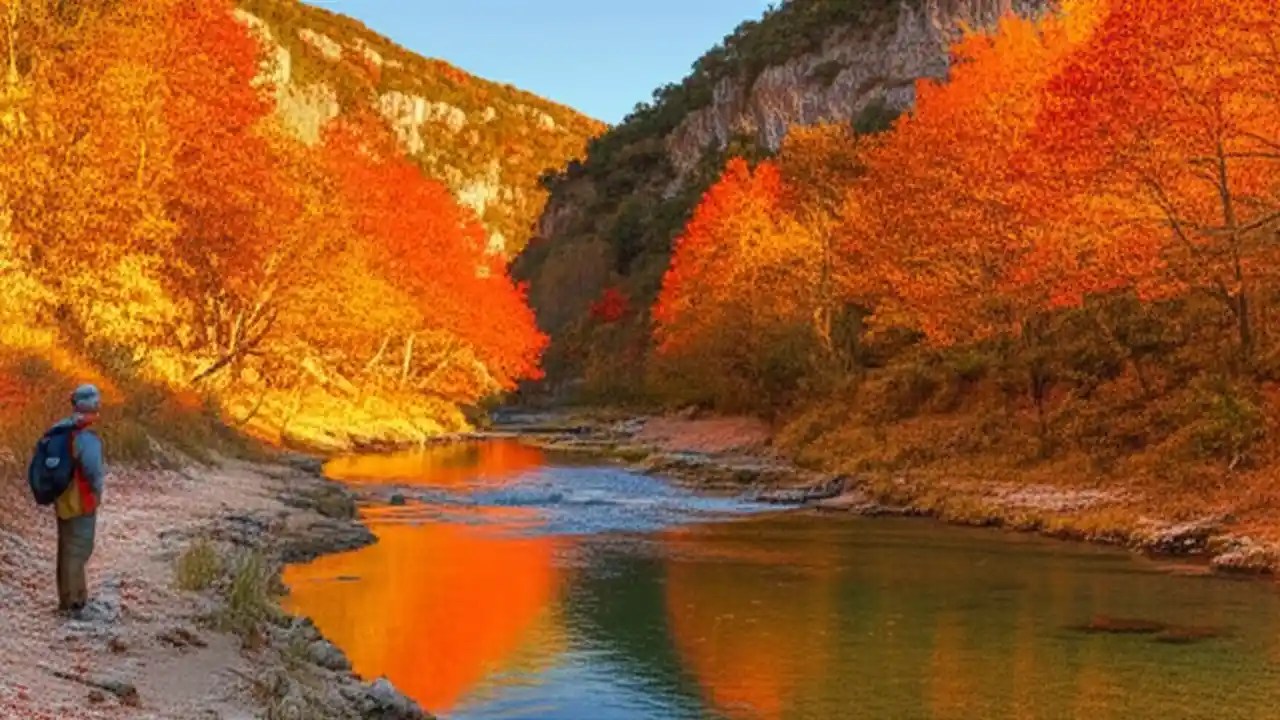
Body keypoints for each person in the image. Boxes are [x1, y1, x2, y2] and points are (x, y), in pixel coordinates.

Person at [50, 384, 106, 615]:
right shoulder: (87, 438)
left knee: (66, 547)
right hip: (81, 500)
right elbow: (93, 472)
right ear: (92, 406)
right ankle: (74, 604)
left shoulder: (59, 429)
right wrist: (98, 493)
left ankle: (68, 598)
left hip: (62, 497)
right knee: (80, 548)